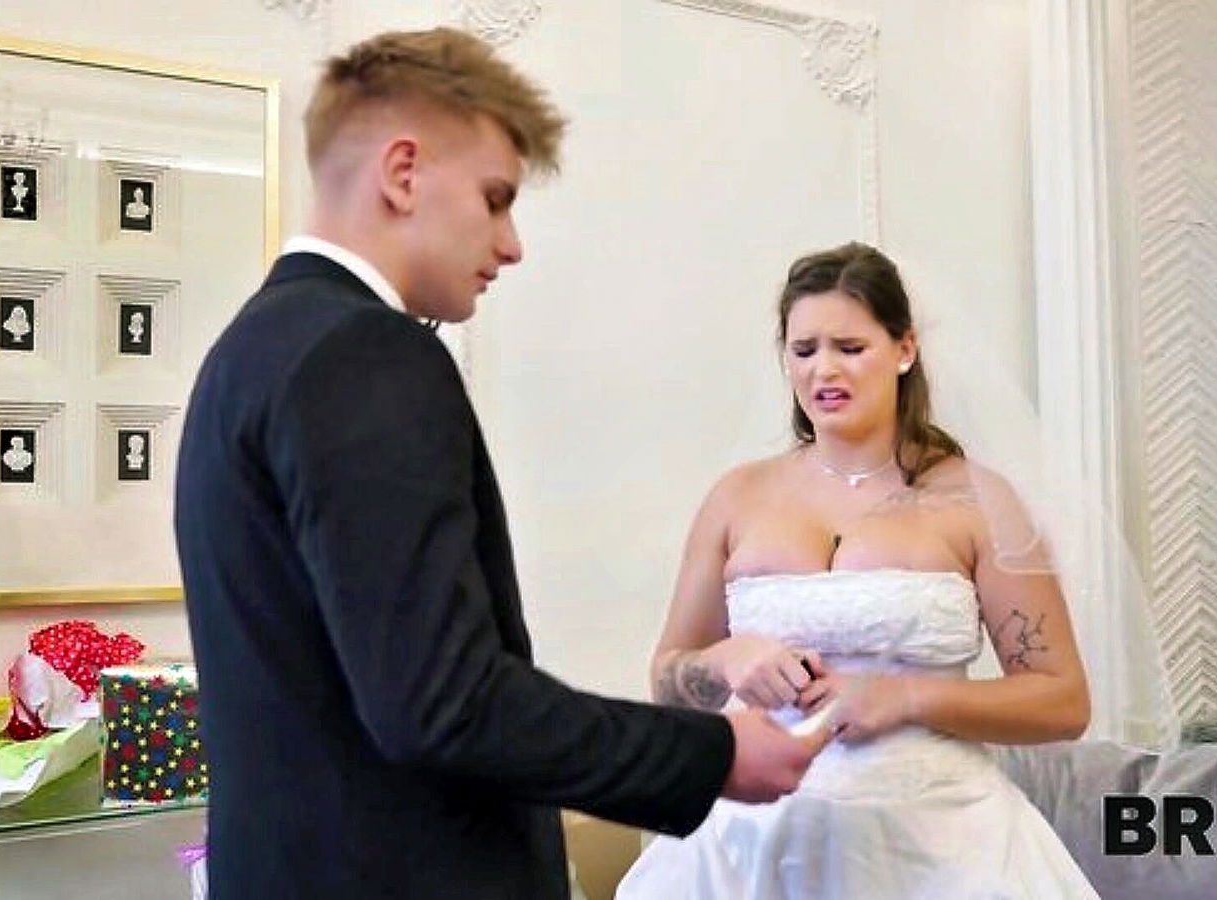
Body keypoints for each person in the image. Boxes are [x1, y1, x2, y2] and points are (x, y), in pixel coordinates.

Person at [174, 28, 823, 899]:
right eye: (495, 199)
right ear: (403, 173)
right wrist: (712, 753)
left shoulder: (244, 354)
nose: (512, 243)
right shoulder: (369, 354)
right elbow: (442, 702)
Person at [618, 242, 1101, 899]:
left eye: (849, 347)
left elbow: (1063, 701)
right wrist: (727, 660)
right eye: (804, 349)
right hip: (750, 846)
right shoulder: (736, 498)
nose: (824, 369)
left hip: (940, 847)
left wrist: (905, 698)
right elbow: (668, 685)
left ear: (904, 349)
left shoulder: (979, 502)